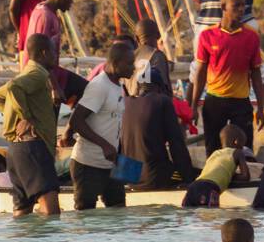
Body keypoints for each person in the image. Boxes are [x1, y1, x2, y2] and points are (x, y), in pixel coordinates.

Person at [0, 34, 62, 217]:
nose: (56, 56)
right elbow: (14, 87)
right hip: (33, 147)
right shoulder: (37, 74)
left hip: (17, 150)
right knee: (51, 211)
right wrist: (25, 117)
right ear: (44, 53)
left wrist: (12, 117)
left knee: (22, 211)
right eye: (54, 52)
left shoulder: (27, 72)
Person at [189, 0, 264, 153]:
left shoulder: (251, 36)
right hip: (214, 102)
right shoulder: (207, 35)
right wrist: (193, 105)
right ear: (223, 7)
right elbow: (200, 72)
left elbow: (255, 73)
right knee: (213, 150)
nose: (241, 10)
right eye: (236, 6)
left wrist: (261, 108)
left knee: (245, 150)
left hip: (241, 102)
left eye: (243, 6)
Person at [64, 40, 136, 210]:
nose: (133, 67)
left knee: (119, 214)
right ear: (116, 63)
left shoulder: (118, 85)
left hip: (110, 165)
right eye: (130, 63)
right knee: (86, 218)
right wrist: (104, 145)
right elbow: (76, 120)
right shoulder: (99, 86)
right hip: (88, 165)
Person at [122, 59, 195, 190]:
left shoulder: (124, 103)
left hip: (127, 178)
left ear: (139, 86)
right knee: (194, 173)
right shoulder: (162, 101)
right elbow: (176, 144)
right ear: (159, 87)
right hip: (154, 179)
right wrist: (189, 179)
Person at [23, 0, 75, 92]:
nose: (72, 2)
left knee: (85, 89)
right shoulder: (45, 16)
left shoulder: (47, 12)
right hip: (40, 78)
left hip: (52, 73)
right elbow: (40, 57)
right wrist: (54, 88)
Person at [183, 123, 250, 207]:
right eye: (242, 145)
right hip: (210, 188)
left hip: (193, 186)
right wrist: (229, 176)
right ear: (236, 142)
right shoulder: (238, 152)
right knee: (211, 216)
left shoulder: (215, 154)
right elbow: (246, 176)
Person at [132, 17, 172, 94]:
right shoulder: (158, 56)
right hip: (152, 104)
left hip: (131, 104)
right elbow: (164, 89)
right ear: (158, 35)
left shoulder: (130, 58)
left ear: (136, 38)